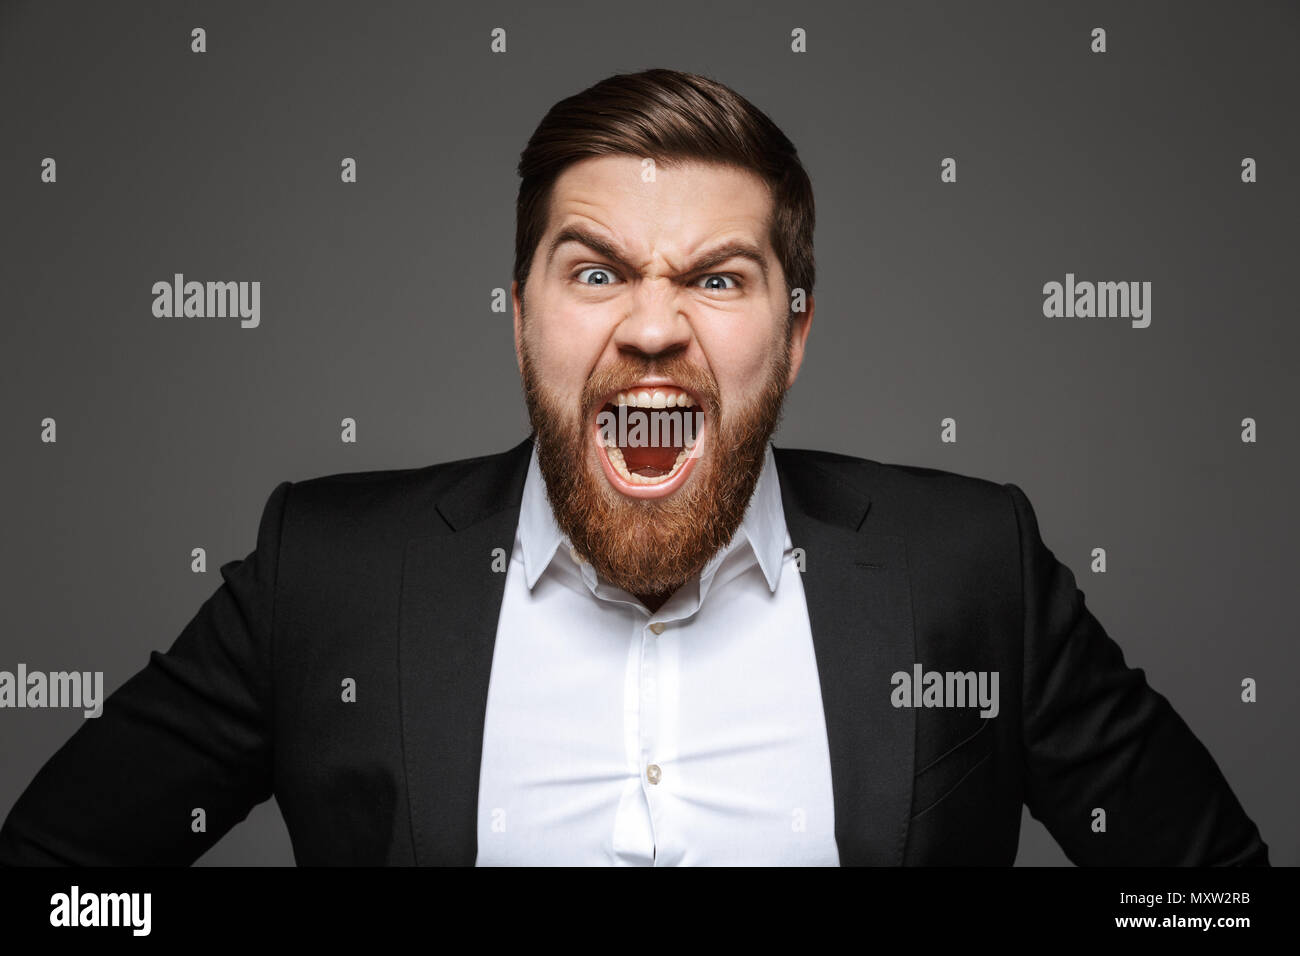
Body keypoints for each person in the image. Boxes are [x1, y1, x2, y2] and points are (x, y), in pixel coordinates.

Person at [0, 69, 1268, 866]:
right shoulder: (323, 573)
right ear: (519, 318)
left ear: (795, 333)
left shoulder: (968, 566)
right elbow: (59, 881)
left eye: (717, 278)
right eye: (597, 270)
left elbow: (1209, 893)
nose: (654, 326)